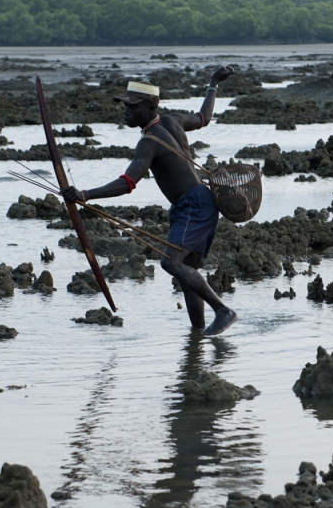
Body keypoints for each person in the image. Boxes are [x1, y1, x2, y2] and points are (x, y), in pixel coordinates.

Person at [64, 66, 239, 335]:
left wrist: (85, 195)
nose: (126, 112)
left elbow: (127, 183)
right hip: (201, 199)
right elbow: (204, 117)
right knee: (187, 273)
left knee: (170, 263)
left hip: (193, 205)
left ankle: (223, 310)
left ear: (149, 108)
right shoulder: (173, 121)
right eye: (124, 106)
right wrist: (213, 83)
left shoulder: (148, 142)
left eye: (132, 107)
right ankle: (198, 336)